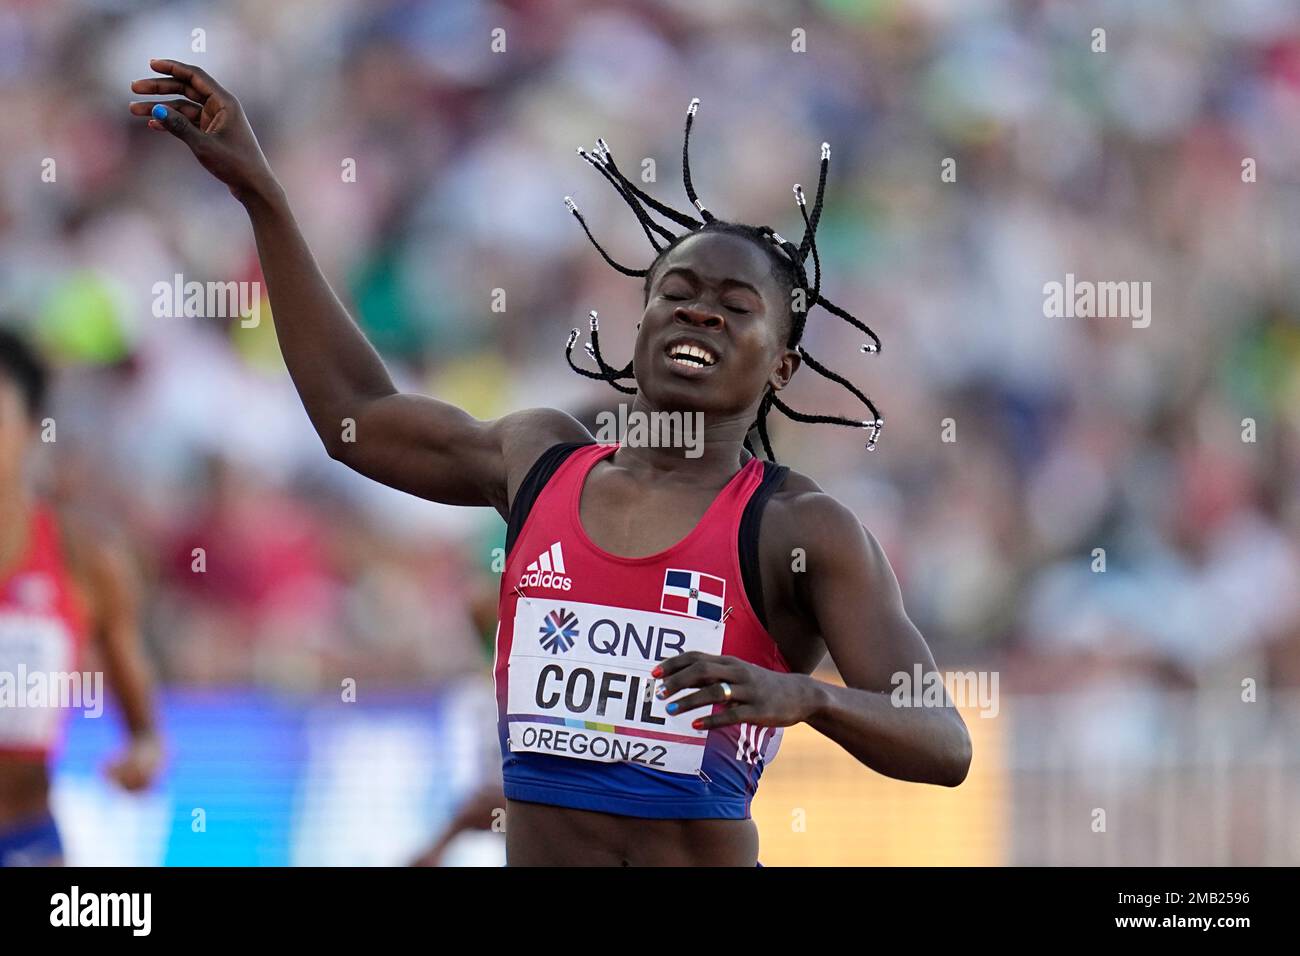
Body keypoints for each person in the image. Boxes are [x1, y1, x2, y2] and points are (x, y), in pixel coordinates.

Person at [133, 60, 971, 866]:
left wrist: (807, 697)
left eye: (736, 306)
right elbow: (354, 417)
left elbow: (943, 743)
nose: (699, 313)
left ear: (783, 363)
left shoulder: (800, 529)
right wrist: (262, 196)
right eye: (676, 292)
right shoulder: (537, 460)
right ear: (640, 319)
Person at [0, 328, 162, 866]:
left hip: (27, 840)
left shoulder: (84, 559)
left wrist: (140, 759)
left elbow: (145, 734)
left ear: (30, 426)